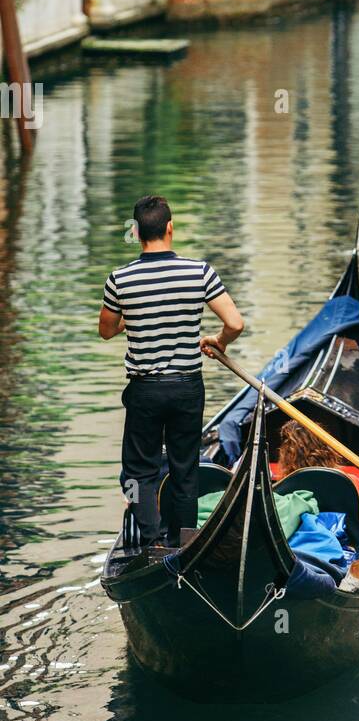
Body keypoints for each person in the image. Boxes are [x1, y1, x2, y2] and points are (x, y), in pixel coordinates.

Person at [99, 195, 245, 549]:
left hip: (145, 390)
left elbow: (106, 330)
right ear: (169, 228)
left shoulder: (119, 279)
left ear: (135, 232)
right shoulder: (200, 272)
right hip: (186, 387)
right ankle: (183, 544)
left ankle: (149, 546)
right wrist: (218, 341)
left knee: (140, 473)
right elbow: (235, 323)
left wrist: (132, 319)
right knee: (185, 468)